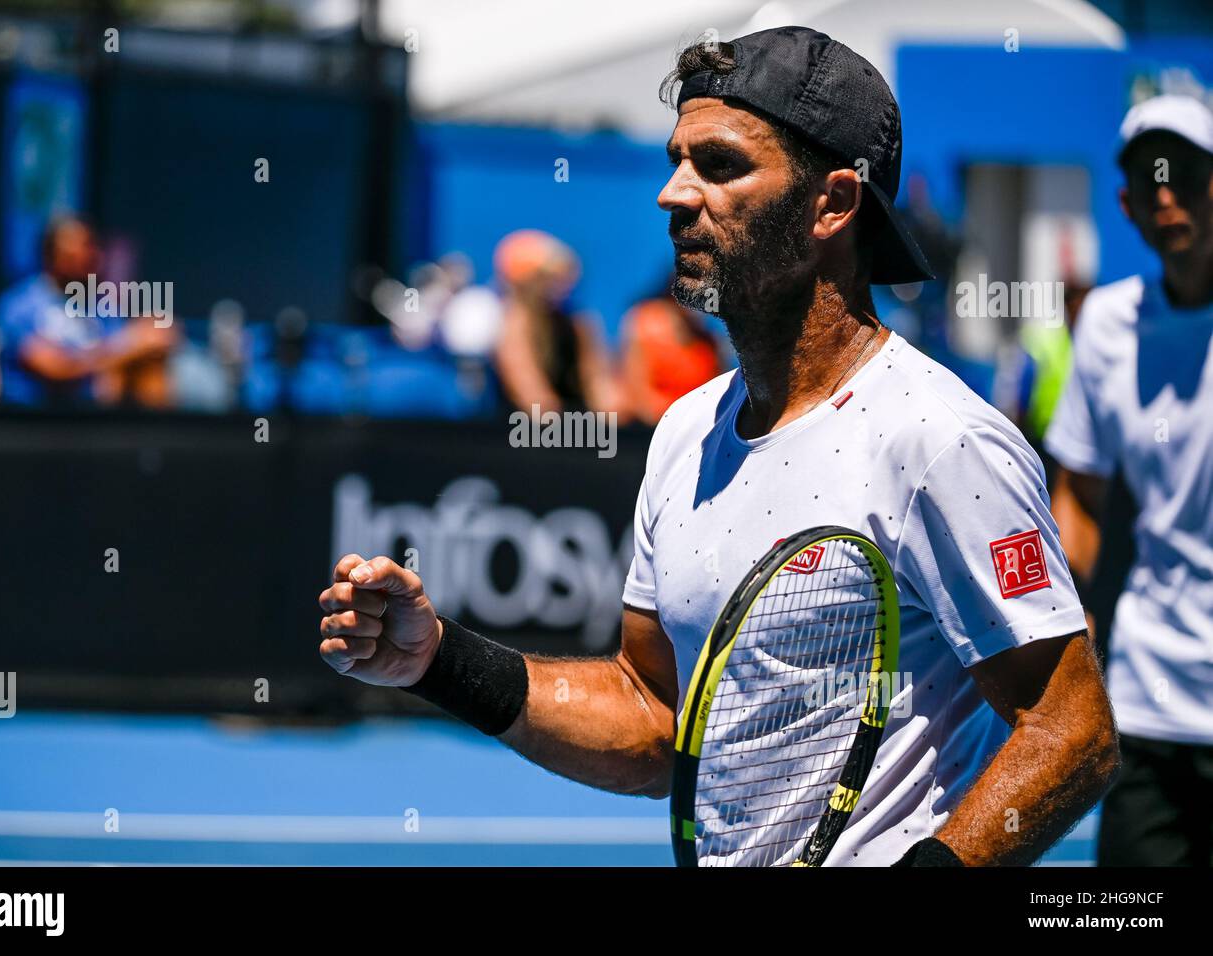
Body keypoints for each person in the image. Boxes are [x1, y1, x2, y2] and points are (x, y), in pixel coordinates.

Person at [316, 27, 1117, 866]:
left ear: (833, 203)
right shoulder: (686, 431)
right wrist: (439, 660)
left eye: (721, 165)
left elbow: (1070, 727)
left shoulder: (940, 440)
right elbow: (653, 715)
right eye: (676, 159)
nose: (673, 193)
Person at [1046, 94, 1213, 866]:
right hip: (1147, 705)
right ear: (1127, 206)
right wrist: (1066, 626)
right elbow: (1080, 489)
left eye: (1186, 173)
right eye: (1150, 184)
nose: (1167, 194)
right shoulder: (1107, 324)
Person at [0, 215, 176, 407]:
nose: (89, 256)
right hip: (34, 422)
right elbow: (55, 369)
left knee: (149, 364)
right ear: (50, 255)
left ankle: (162, 433)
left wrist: (146, 342)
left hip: (95, 419)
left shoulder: (100, 304)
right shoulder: (20, 305)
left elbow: (116, 364)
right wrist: (133, 343)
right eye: (78, 248)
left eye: (91, 246)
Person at [489, 229, 619, 414]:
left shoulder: (579, 324)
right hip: (522, 433)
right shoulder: (513, 325)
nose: (560, 285)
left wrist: (613, 415)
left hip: (573, 430)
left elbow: (600, 385)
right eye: (547, 277)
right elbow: (533, 397)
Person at [617, 279, 723, 425]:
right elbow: (638, 387)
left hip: (696, 424)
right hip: (651, 425)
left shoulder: (711, 341)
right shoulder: (646, 323)